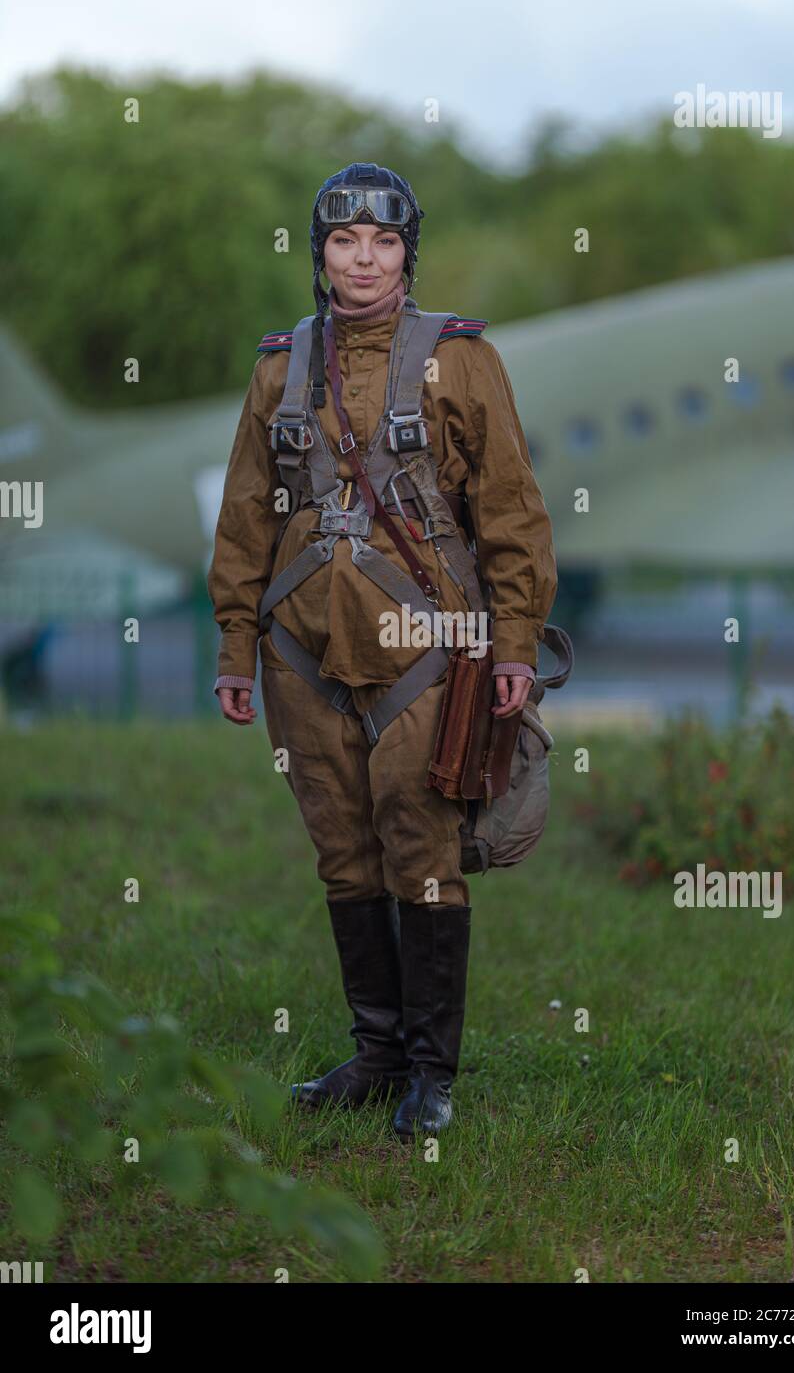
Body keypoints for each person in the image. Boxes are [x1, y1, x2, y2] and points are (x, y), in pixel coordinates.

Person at [207, 162, 557, 1138]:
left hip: (427, 652)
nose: (363, 260)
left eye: (384, 242)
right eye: (344, 242)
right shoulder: (280, 365)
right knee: (343, 856)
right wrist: (238, 649)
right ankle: (375, 1053)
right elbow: (244, 517)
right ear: (318, 253)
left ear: (407, 252)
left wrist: (515, 640)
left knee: (424, 853)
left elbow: (512, 512)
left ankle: (431, 1077)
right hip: (300, 658)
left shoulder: (460, 359)